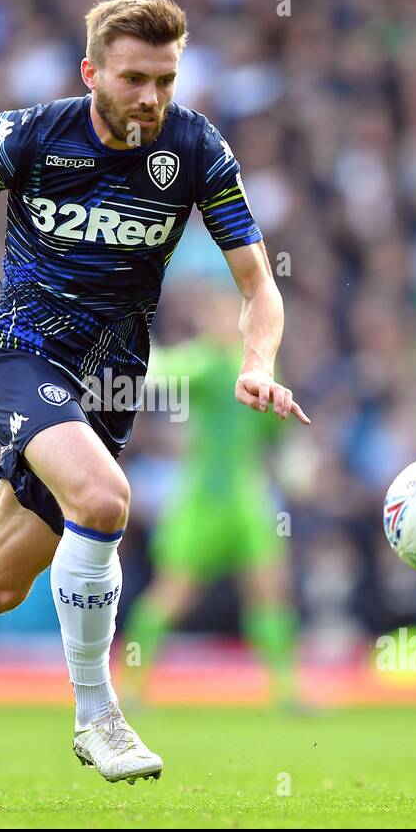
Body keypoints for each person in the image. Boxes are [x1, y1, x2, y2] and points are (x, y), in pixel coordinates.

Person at [0, 0, 309, 809]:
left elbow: (259, 283)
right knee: (105, 500)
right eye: (136, 77)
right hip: (20, 354)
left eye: (166, 80)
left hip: (108, 387)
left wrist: (258, 360)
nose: (152, 97)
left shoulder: (196, 148)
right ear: (92, 72)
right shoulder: (32, 133)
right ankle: (96, 713)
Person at [121, 286, 300, 708]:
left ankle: (286, 691)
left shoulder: (261, 372)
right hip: (203, 500)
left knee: (271, 591)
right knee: (173, 595)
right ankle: (130, 688)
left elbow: (277, 434)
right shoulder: (205, 363)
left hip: (245, 499)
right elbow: (160, 372)